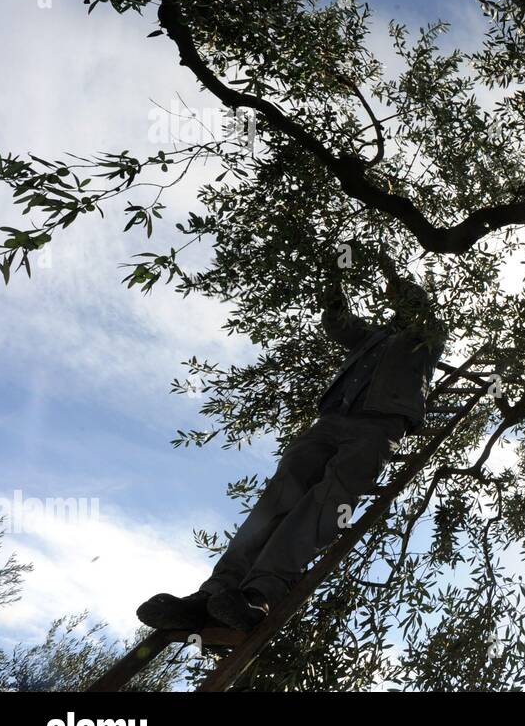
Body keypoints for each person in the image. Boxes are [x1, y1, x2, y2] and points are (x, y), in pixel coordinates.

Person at [137, 252, 446, 632]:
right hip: (331, 419)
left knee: (329, 500)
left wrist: (388, 269)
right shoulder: (373, 337)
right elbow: (338, 324)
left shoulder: (427, 335)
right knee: (276, 499)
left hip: (378, 426)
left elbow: (416, 305)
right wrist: (336, 283)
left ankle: (258, 596)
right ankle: (214, 593)